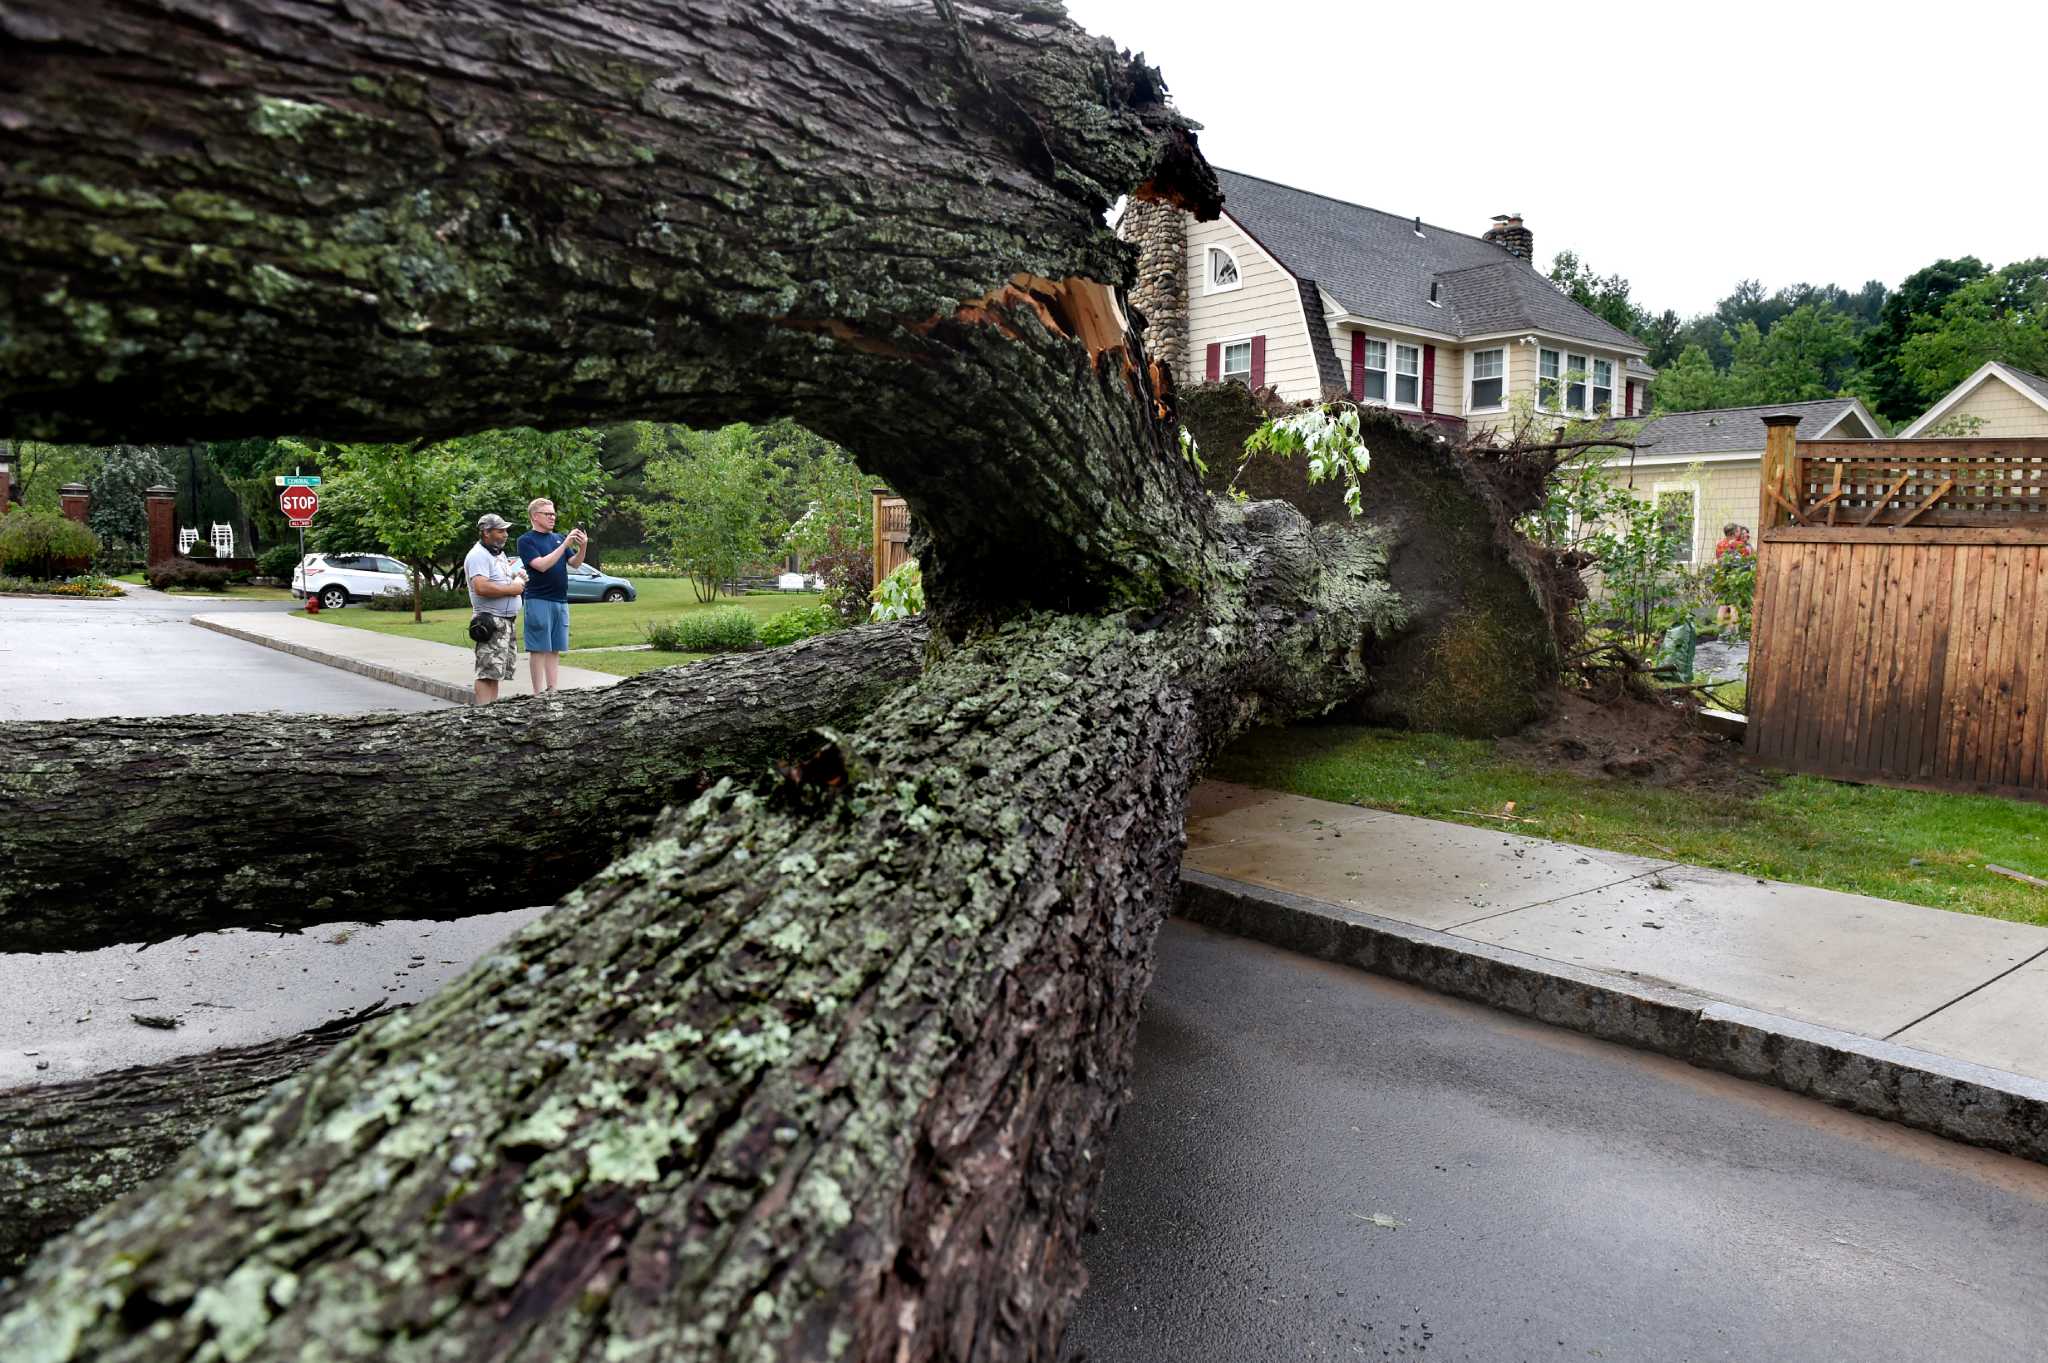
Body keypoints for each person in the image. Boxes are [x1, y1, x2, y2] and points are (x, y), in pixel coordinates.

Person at [517, 496, 586, 695]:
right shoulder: (526, 540)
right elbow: (541, 565)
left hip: (560, 600)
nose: (553, 517)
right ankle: (537, 693)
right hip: (538, 599)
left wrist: (583, 546)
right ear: (535, 516)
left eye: (554, 514)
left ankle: (553, 690)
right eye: (548, 514)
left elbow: (575, 563)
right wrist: (564, 544)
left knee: (555, 648)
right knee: (539, 648)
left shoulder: (557, 537)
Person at [464, 512, 526, 705]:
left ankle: (491, 714)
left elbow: (499, 580)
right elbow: (481, 587)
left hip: (506, 622)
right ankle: (483, 715)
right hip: (490, 622)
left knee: (496, 673)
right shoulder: (478, 555)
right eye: (500, 531)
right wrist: (514, 588)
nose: (505, 534)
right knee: (486, 673)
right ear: (486, 533)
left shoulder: (498, 553)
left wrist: (517, 576)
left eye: (506, 530)